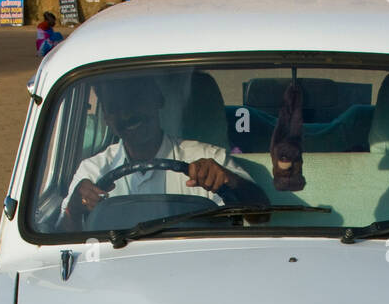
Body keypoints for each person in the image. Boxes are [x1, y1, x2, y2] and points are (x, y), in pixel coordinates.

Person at [60, 76, 262, 230]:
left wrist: (230, 181)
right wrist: (75, 208)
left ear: (157, 99)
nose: (127, 114)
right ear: (105, 117)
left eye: (135, 100)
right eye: (115, 107)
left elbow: (261, 216)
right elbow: (61, 240)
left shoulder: (209, 159)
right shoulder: (93, 171)